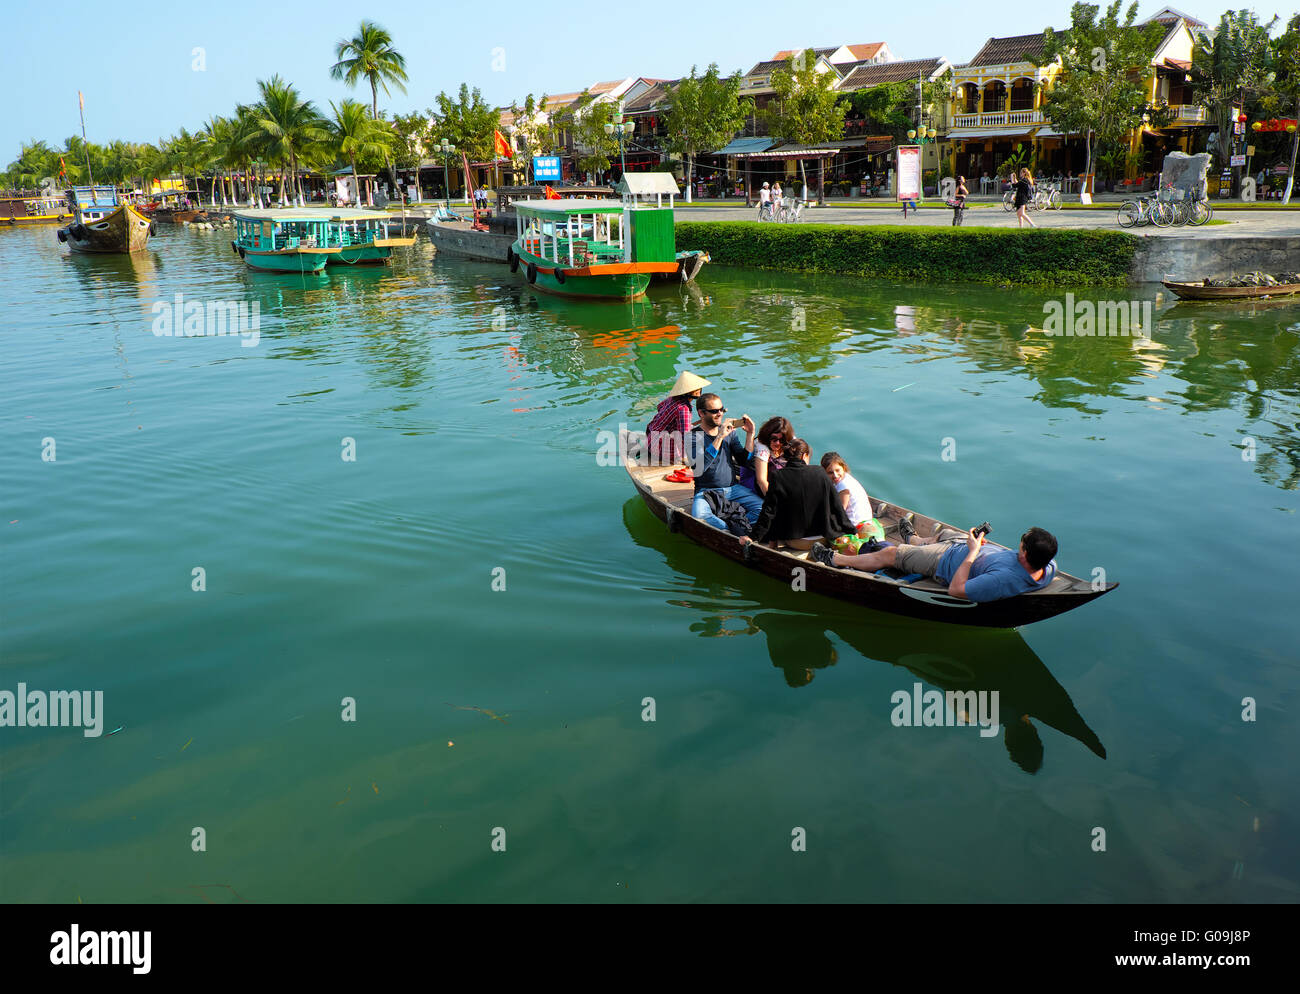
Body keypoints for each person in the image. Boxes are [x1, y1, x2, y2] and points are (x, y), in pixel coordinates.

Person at [810, 524, 1059, 603]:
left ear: (1025, 555)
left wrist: (972, 553)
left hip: (944, 562)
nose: (1018, 547)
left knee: (892, 554)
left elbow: (957, 590)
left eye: (1021, 546)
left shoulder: (1005, 579)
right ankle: (915, 539)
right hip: (960, 547)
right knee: (946, 532)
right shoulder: (1048, 567)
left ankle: (835, 559)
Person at [740, 440, 856, 551]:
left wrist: (752, 537)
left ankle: (772, 546)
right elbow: (837, 508)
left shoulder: (778, 476)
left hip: (796, 542)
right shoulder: (820, 472)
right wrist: (852, 531)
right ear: (805, 455)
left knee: (778, 509)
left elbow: (768, 513)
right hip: (823, 538)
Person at [686, 394, 763, 530]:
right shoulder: (692, 437)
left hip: (733, 489)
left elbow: (744, 461)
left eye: (722, 410)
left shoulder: (730, 433)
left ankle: (736, 526)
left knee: (764, 509)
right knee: (700, 517)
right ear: (701, 413)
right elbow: (700, 467)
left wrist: (750, 435)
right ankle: (731, 528)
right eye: (715, 411)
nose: (720, 414)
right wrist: (720, 436)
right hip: (705, 492)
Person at [646, 370, 708, 466]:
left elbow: (659, 407)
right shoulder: (683, 409)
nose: (699, 390)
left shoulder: (671, 399)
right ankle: (681, 458)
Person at [819, 452, 875, 530]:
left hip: (856, 524)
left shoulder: (843, 486)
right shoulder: (846, 478)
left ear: (844, 468)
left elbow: (841, 511)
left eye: (837, 470)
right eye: (830, 472)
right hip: (865, 519)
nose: (835, 475)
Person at [751, 416, 794, 496]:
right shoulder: (762, 447)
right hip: (756, 484)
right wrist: (772, 504)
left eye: (781, 440)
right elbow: (761, 481)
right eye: (774, 439)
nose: (777, 443)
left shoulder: (789, 442)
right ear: (767, 436)